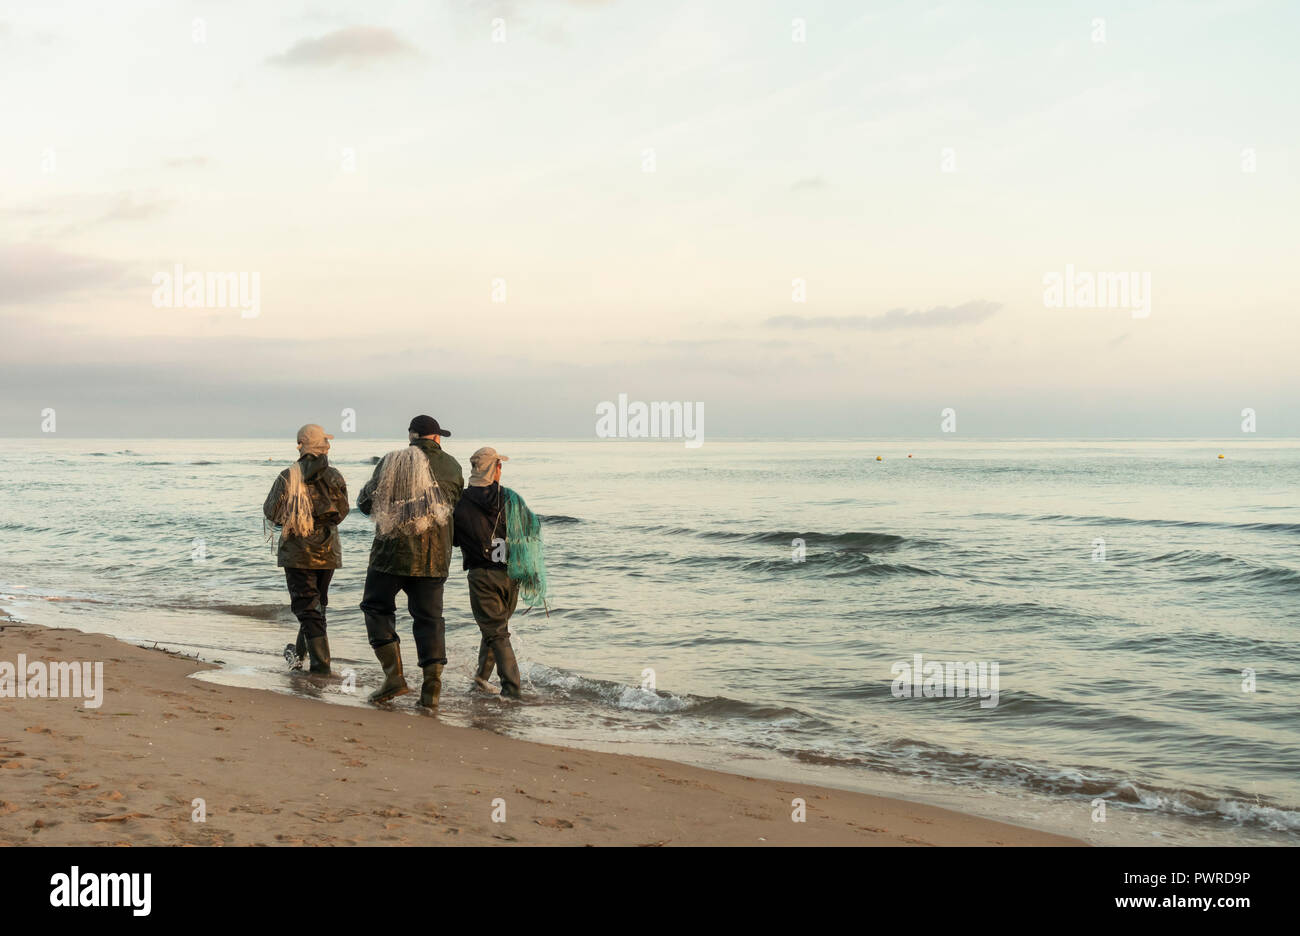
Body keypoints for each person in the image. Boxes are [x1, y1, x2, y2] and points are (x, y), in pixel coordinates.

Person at [356, 415, 464, 707]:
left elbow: (366, 505)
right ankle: (431, 693)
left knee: (376, 607)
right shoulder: (452, 465)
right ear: (437, 438)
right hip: (434, 558)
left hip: (389, 555)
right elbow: (453, 504)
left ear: (411, 436)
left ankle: (394, 678)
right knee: (430, 620)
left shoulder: (391, 461)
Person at [452, 446, 545, 699]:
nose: (501, 469)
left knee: (496, 631)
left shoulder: (459, 502)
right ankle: (482, 680)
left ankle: (512, 690)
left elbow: (453, 540)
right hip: (510, 576)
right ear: (495, 469)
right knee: (496, 629)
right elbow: (532, 529)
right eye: (500, 465)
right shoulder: (511, 498)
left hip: (482, 576)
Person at [262, 424, 350, 675]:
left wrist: (295, 518)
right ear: (323, 446)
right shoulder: (334, 475)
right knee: (316, 604)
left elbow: (271, 512)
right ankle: (298, 654)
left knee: (307, 607)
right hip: (328, 551)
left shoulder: (288, 475)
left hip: (298, 550)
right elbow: (342, 511)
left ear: (300, 444)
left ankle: (321, 665)